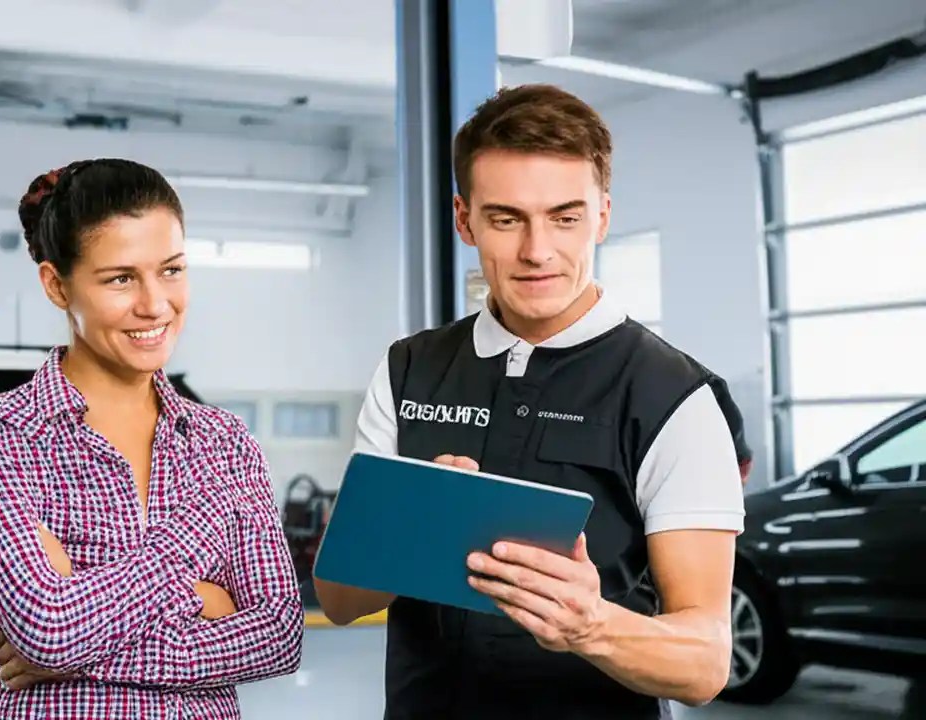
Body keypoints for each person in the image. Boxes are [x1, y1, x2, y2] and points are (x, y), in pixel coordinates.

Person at [314, 84, 746, 719]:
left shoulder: (673, 397)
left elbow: (705, 663)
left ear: (602, 215)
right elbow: (341, 598)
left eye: (565, 217)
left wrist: (592, 626)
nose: (537, 251)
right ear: (465, 220)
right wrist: (412, 528)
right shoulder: (409, 369)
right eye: (506, 218)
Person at [0, 158, 304, 719]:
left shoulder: (225, 443)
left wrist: (83, 630)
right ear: (56, 285)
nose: (154, 304)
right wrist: (196, 575)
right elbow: (48, 631)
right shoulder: (0, 434)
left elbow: (279, 635)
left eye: (171, 270)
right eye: (120, 278)